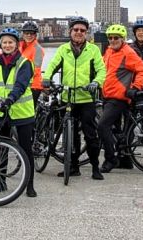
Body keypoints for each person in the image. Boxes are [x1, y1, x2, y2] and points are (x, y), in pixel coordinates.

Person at [45, 16, 105, 180]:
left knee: (90, 134)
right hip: (68, 96)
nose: (79, 33)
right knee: (70, 135)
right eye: (76, 30)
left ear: (86, 33)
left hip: (86, 98)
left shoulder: (93, 50)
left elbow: (101, 70)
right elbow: (52, 65)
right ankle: (73, 166)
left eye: (82, 31)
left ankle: (95, 167)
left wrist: (96, 82)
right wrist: (47, 78)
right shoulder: (63, 49)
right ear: (70, 32)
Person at [97, 24, 143, 174]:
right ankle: (125, 160)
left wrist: (135, 87)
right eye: (110, 38)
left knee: (102, 126)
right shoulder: (109, 51)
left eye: (116, 38)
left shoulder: (128, 53)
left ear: (123, 39)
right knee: (117, 130)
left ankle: (110, 159)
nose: (113, 40)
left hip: (119, 98)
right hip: (108, 95)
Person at [0, 27, 38, 197]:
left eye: (11, 42)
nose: (8, 45)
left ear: (17, 44)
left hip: (21, 112)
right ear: (0, 44)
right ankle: (2, 181)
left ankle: (29, 184)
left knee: (26, 149)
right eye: (5, 42)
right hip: (1, 111)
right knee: (1, 148)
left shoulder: (25, 63)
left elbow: (21, 85)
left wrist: (10, 99)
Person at [18, 21, 46, 103]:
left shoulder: (38, 49)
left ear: (35, 35)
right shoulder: (19, 46)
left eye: (31, 33)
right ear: (23, 34)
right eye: (27, 33)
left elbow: (36, 69)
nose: (29, 35)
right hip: (21, 83)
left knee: (29, 111)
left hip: (33, 85)